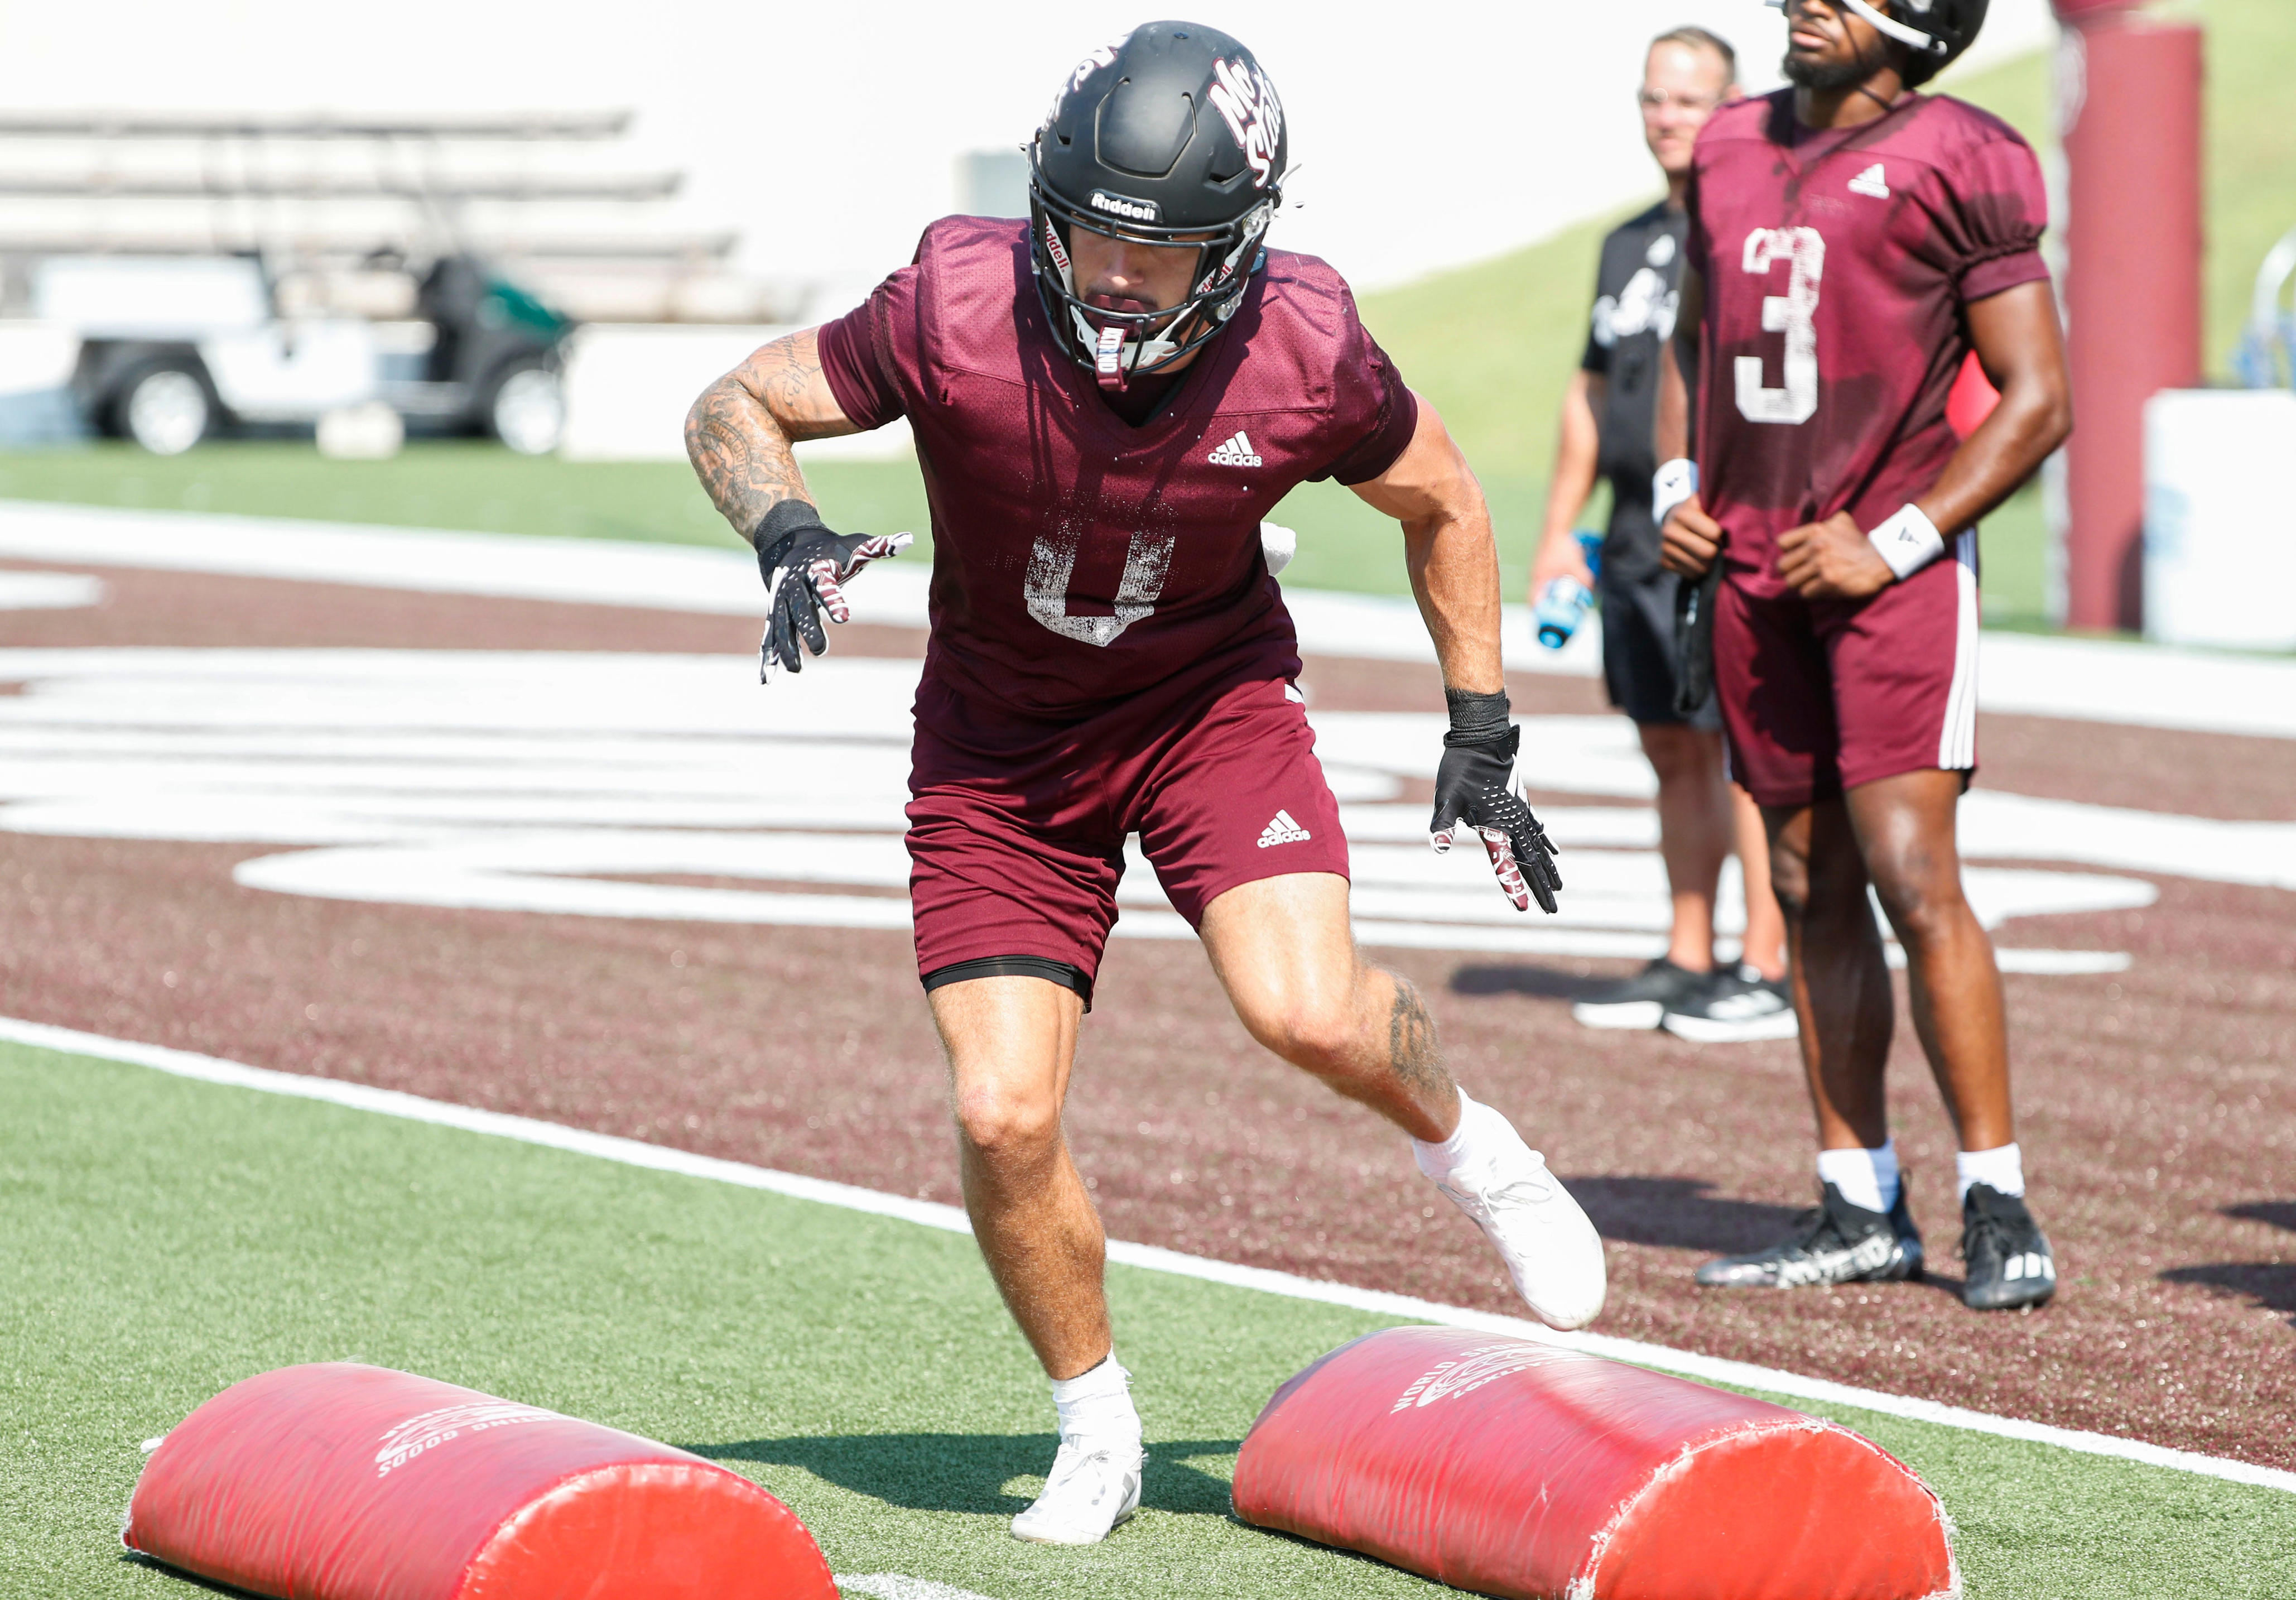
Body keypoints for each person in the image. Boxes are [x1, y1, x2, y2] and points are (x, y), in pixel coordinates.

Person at [685, 22, 1607, 1547]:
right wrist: (782, 528)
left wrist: (1482, 720)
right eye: (1091, 234)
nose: (1114, 276)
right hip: (1001, 746)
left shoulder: (1304, 343)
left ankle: (1475, 1151)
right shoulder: (955, 300)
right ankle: (1096, 1420)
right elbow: (737, 401)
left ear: (1235, 249)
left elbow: (1440, 496)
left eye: (1157, 251)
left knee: (1305, 1008)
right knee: (997, 1110)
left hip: (1204, 710)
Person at [1654, 0, 2071, 1311]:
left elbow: (2040, 395)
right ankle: (1857, 1200)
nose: (1806, 3)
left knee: (1909, 868)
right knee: (1801, 874)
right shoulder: (1725, 144)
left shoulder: (1964, 150)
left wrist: (1893, 540)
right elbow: (1691, 336)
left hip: (1888, 568)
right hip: (1753, 565)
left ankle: (1997, 1196)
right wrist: (1679, 474)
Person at [1531, 25, 1794, 1044]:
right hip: (1636, 537)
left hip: (1724, 538)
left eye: (1689, 100)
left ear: (1735, 106)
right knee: (1670, 749)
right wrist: (1562, 533)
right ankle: (1690, 953)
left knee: (1741, 753)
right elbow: (1591, 392)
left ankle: (1765, 964)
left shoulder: (1759, 231)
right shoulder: (1629, 240)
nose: (1667, 118)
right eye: (1653, 99)